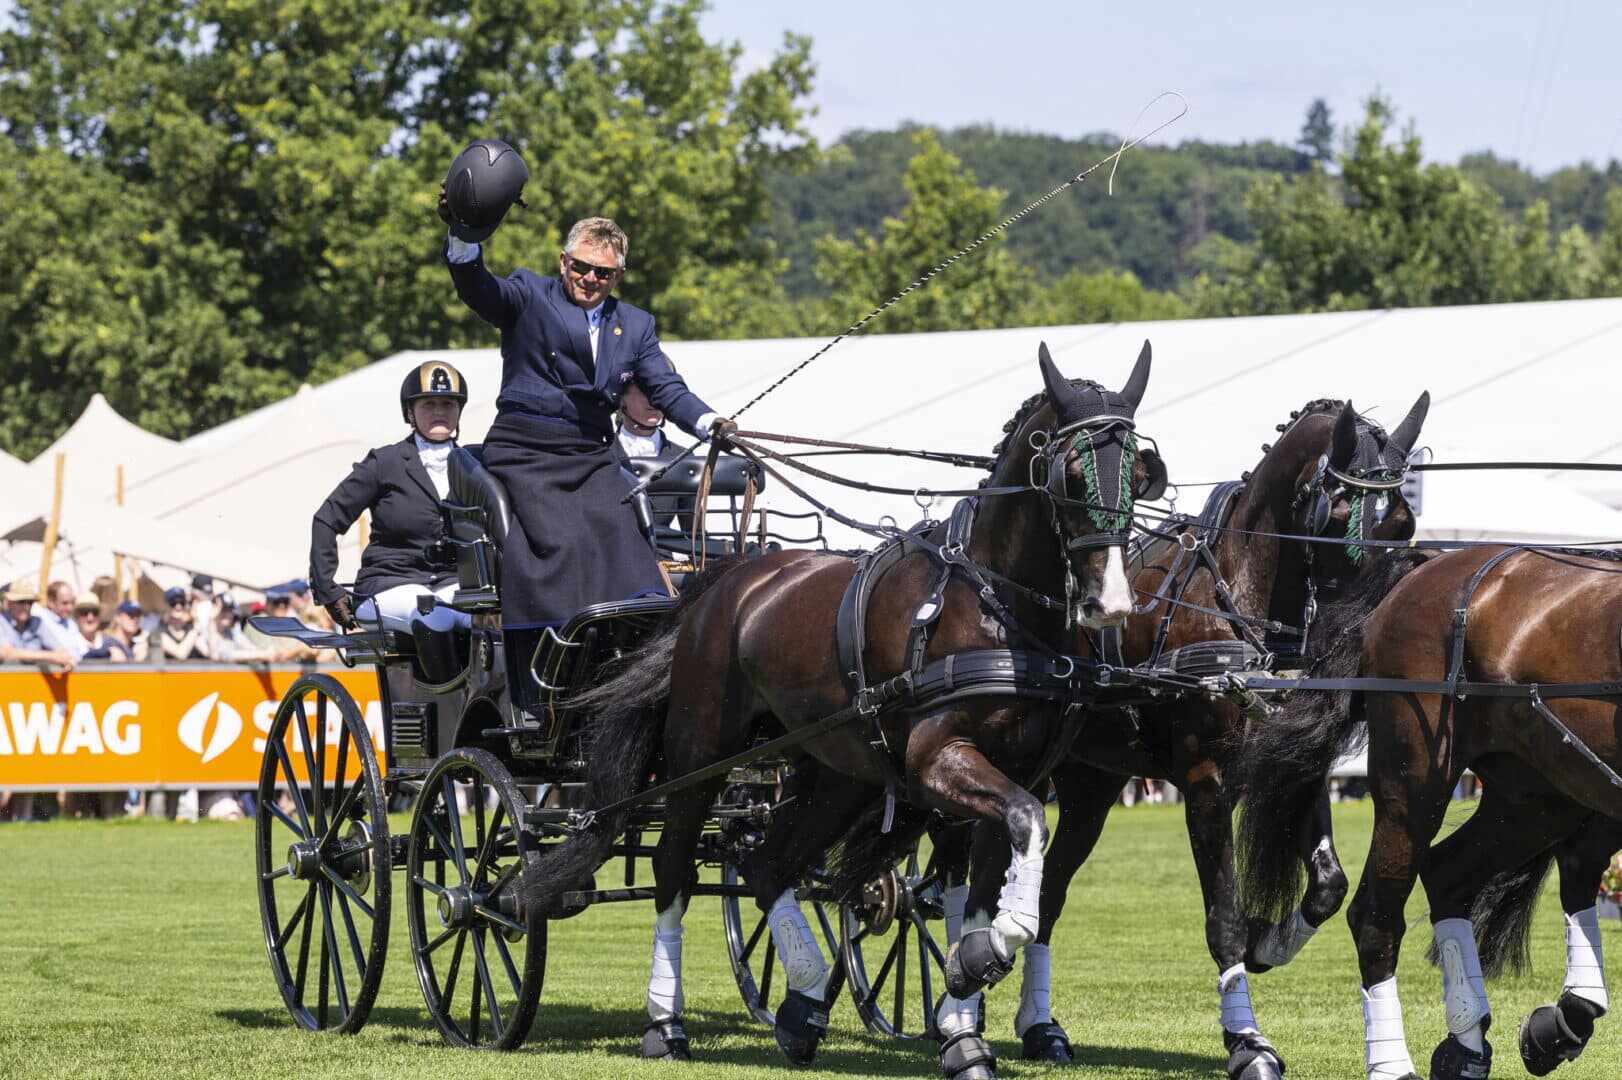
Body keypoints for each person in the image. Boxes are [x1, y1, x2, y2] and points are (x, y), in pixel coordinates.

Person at [437, 141, 735, 716]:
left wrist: (711, 423)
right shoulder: (529, 295)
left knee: (628, 543)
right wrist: (464, 236)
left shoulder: (636, 325)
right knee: (562, 543)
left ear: (618, 274)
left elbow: (665, 387)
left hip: (592, 455)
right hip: (525, 452)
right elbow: (478, 288)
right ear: (562, 262)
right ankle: (546, 683)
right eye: (580, 267)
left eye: (603, 272)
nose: (589, 279)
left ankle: (625, 674)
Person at [310, 362, 473, 636]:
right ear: (410, 412)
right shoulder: (384, 463)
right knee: (436, 616)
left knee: (494, 617)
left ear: (459, 410)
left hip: (451, 582)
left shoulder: (475, 465)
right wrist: (326, 588)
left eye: (448, 404)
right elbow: (326, 519)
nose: (439, 412)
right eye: (429, 404)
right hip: (389, 584)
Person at [0, 583, 75, 671]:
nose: (26, 606)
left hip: (31, 678)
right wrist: (50, 656)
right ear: (9, 603)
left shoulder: (37, 623)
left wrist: (67, 660)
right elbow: (6, 653)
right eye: (21, 602)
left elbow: (61, 651)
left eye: (30, 602)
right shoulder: (2, 622)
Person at [40, 580, 89, 660]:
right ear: (51, 602)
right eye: (65, 603)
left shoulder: (70, 623)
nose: (70, 608)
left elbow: (83, 650)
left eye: (72, 603)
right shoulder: (40, 621)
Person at [155, 587, 206, 661]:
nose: (178, 606)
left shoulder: (191, 628)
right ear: (166, 605)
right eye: (173, 602)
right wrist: (195, 631)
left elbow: (210, 653)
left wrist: (210, 621)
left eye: (182, 602)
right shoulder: (158, 632)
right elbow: (180, 654)